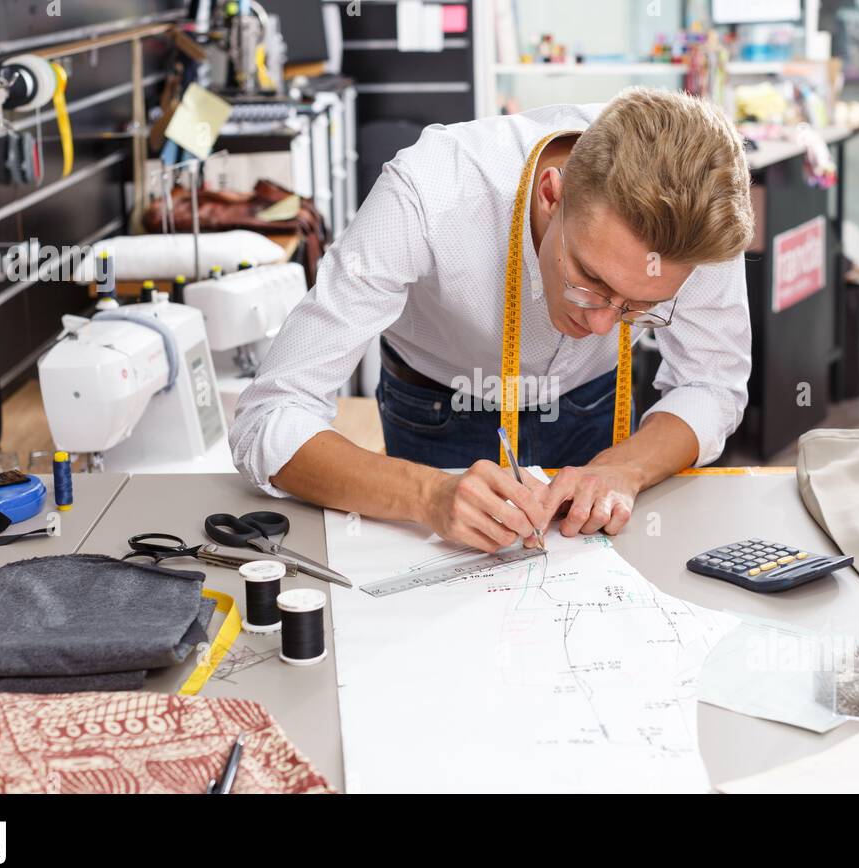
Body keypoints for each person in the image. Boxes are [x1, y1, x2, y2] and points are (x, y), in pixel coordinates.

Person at [231, 87, 753, 553]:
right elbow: (271, 414)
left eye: (639, 309)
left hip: (596, 400)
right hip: (439, 407)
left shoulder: (699, 221)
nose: (602, 328)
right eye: (589, 281)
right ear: (552, 195)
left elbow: (711, 382)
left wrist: (626, 468)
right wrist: (428, 494)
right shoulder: (431, 188)